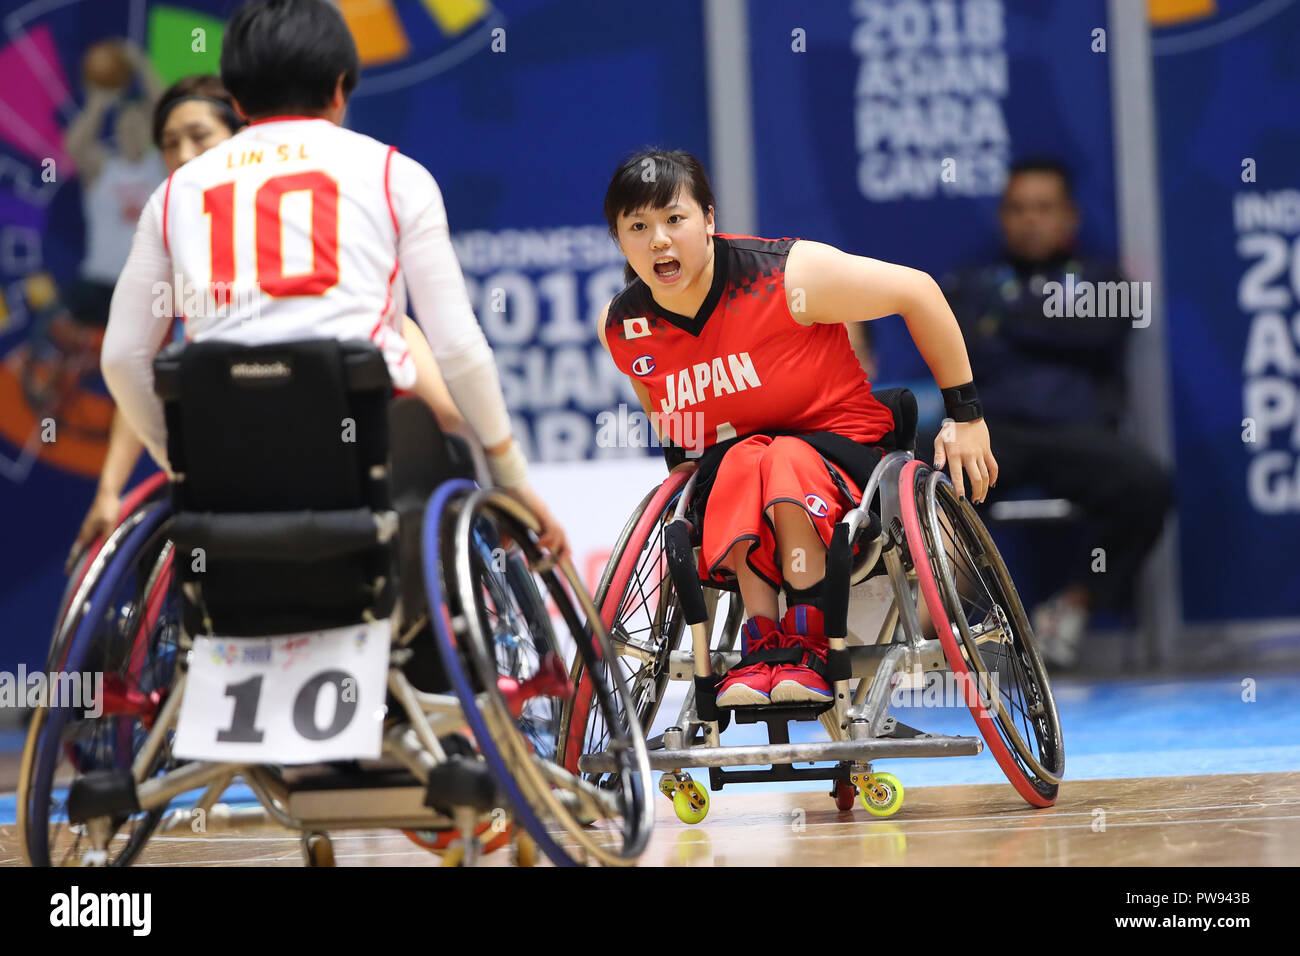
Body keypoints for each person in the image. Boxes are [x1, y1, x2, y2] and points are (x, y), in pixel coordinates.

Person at [100, 0, 565, 561]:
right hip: (364, 445)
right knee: (454, 455)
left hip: (226, 452)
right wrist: (509, 474)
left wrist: (178, 458)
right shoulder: (396, 174)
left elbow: (123, 358)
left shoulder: (174, 194)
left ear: (239, 101)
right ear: (341, 87)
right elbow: (458, 349)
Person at [597, 148, 995, 706]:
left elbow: (917, 291)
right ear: (619, 240)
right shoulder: (625, 326)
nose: (659, 239)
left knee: (780, 455)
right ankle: (763, 643)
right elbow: (676, 426)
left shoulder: (786, 274)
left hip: (844, 455)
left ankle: (806, 641)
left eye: (674, 219)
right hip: (746, 466)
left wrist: (966, 416)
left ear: (709, 219)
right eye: (638, 226)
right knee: (737, 462)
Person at [69, 72, 465, 567]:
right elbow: (133, 365)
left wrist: (464, 438)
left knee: (439, 408)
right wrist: (114, 488)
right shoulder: (174, 234)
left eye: (200, 136)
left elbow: (127, 361)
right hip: (238, 450)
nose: (185, 155)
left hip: (332, 432)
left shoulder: (314, 229)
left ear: (245, 137)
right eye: (170, 144)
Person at [940, 158, 1172, 667]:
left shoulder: (1104, 278)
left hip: (1077, 436)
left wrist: (1005, 319)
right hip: (996, 436)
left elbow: (1094, 330)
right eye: (1018, 209)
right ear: (1003, 217)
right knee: (929, 477)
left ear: (1070, 217)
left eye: (1044, 209)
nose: (1030, 221)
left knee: (1149, 483)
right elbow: (962, 334)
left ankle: (1071, 607)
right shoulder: (970, 280)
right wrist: (1047, 314)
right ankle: (949, 628)